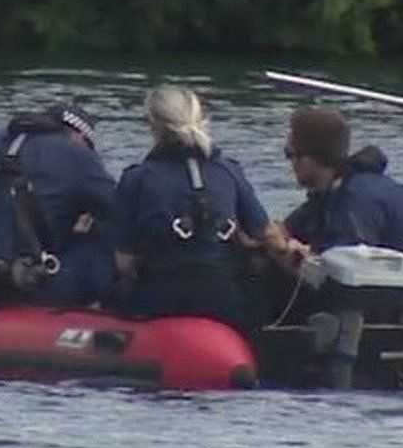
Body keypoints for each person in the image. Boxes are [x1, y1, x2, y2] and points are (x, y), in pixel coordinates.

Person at [278, 106, 403, 388]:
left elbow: (340, 271)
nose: (290, 163)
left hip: (393, 315)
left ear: (316, 156)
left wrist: (286, 252)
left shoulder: (356, 199)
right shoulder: (337, 191)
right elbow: (290, 227)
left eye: (292, 154)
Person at [112, 85, 300, 332]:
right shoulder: (228, 171)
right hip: (223, 300)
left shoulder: (136, 179)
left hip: (159, 300)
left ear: (152, 126)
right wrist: (287, 247)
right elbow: (267, 235)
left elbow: (124, 263)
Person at [0, 103, 116, 314]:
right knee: (101, 242)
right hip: (26, 289)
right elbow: (124, 213)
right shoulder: (77, 155)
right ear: (78, 135)